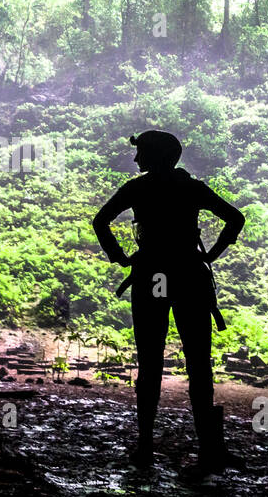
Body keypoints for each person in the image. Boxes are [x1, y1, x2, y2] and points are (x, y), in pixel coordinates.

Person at [92, 130, 245, 472]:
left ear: (155, 155)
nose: (136, 159)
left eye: (141, 152)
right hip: (189, 278)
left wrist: (121, 257)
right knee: (198, 363)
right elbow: (235, 218)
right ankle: (208, 449)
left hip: (152, 279)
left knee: (149, 361)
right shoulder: (191, 187)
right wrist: (212, 256)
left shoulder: (138, 189)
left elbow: (100, 221)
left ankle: (145, 447)